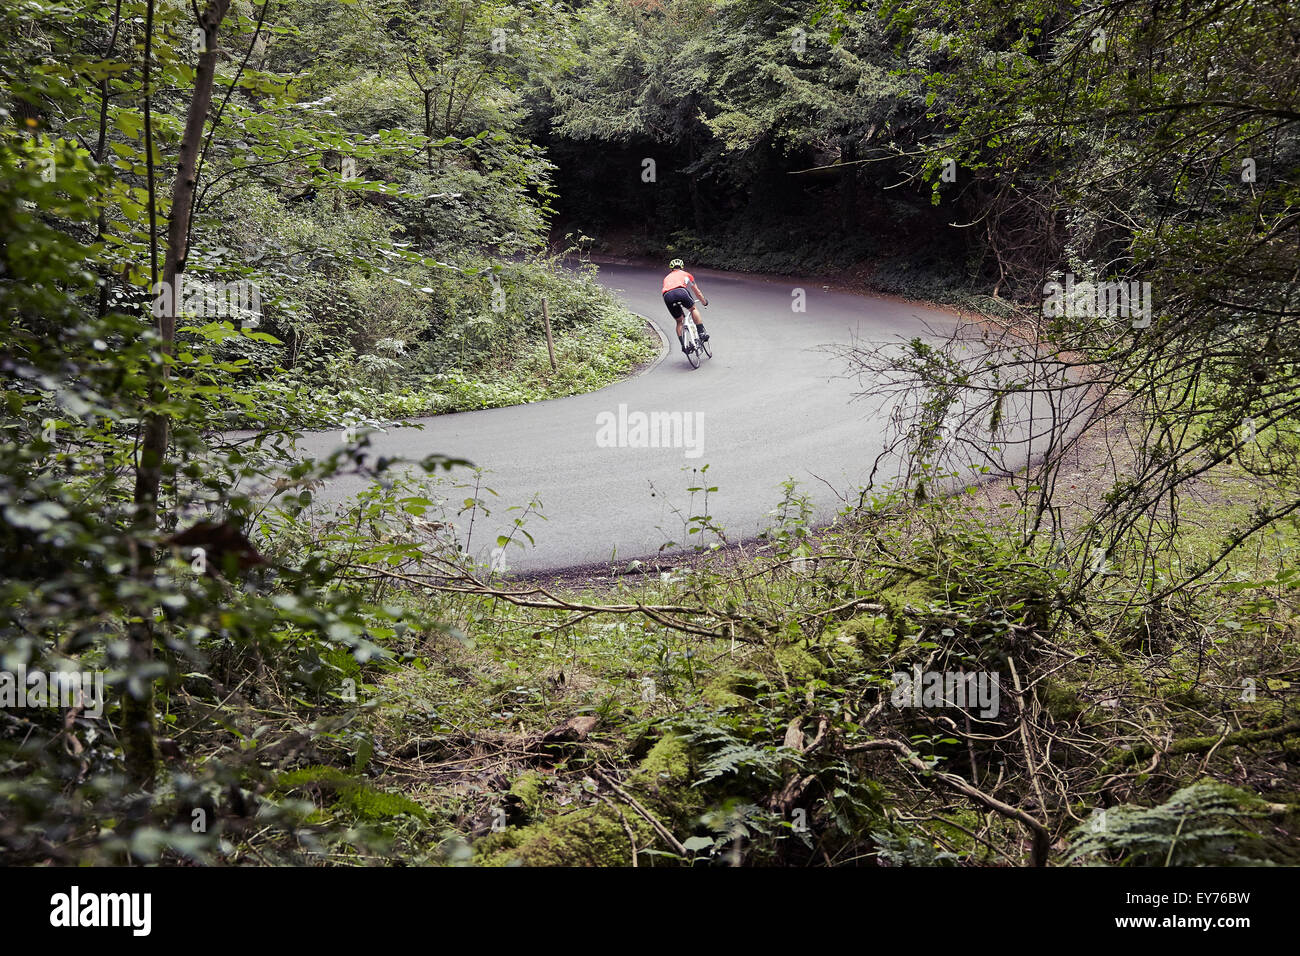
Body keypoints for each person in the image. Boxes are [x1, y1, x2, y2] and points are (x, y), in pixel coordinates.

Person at [661, 258, 710, 352]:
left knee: (679, 322)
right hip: (680, 291)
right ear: (682, 267)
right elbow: (697, 292)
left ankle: (684, 346)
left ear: (671, 269)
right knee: (693, 309)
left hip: (667, 296)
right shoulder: (687, 275)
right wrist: (704, 302)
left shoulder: (666, 278)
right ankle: (701, 333)